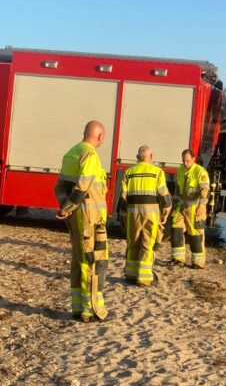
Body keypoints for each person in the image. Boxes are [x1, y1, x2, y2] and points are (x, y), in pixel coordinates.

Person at [55, 121, 110, 322]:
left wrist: (65, 207)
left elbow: (60, 187)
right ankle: (89, 310)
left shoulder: (71, 153)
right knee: (91, 260)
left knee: (78, 259)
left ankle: (77, 307)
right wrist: (68, 208)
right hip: (89, 218)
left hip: (76, 217)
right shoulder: (90, 155)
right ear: (100, 136)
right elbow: (83, 186)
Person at [121, 145, 172, 286]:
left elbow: (123, 198)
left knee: (133, 242)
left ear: (138, 157)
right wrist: (165, 213)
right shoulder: (157, 172)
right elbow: (165, 197)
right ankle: (144, 278)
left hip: (133, 214)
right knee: (148, 244)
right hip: (151, 215)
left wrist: (124, 216)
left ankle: (131, 274)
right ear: (151, 157)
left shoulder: (129, 172)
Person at [170, 148, 210, 268]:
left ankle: (198, 262)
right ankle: (178, 259)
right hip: (181, 205)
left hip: (195, 207)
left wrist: (202, 206)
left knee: (196, 235)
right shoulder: (181, 170)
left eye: (187, 161)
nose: (185, 163)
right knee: (176, 229)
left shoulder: (200, 172)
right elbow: (177, 188)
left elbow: (205, 190)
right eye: (183, 161)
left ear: (193, 159)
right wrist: (175, 204)